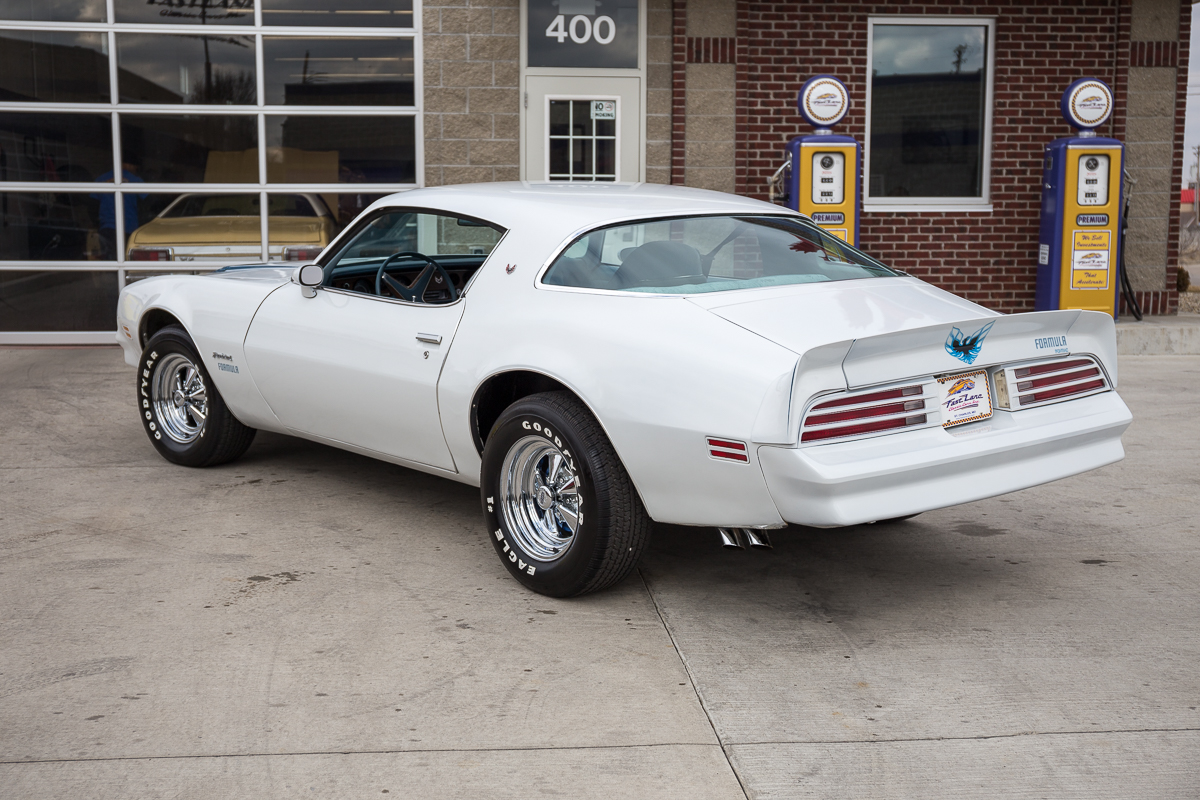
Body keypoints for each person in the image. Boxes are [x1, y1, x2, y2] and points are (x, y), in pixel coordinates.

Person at [92, 162, 147, 261]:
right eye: (135, 165)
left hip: (106, 228)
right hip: (130, 228)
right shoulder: (136, 181)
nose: (135, 168)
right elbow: (147, 203)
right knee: (129, 260)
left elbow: (92, 206)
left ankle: (113, 275)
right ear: (128, 164)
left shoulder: (100, 179)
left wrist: (96, 224)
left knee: (110, 259)